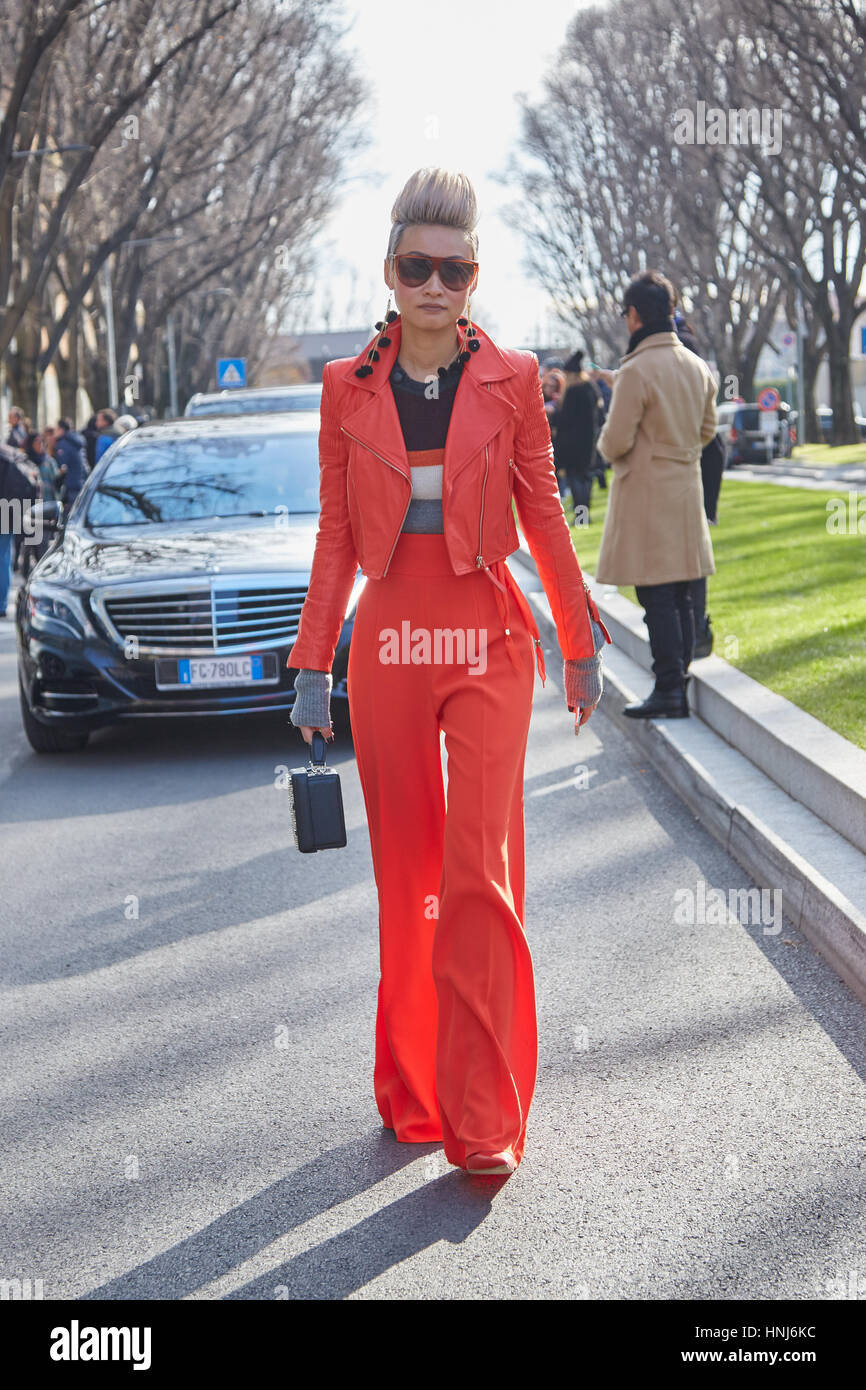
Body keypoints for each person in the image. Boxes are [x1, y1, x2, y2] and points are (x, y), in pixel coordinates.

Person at [286, 166, 611, 1178]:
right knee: (410, 879)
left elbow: (544, 511)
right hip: (384, 641)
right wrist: (310, 664)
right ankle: (415, 1090)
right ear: (388, 272)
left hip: (485, 634)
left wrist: (579, 634)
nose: (434, 283)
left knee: (478, 873)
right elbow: (337, 536)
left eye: (453, 268)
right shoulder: (344, 389)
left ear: (473, 277)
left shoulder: (512, 380)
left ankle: (483, 1116)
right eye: (415, 265)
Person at [596, 269, 717, 718]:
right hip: (687, 490)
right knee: (683, 594)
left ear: (633, 316)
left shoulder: (636, 370)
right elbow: (708, 431)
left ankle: (668, 689)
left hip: (648, 496)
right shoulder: (696, 366)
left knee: (656, 597)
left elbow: (614, 442)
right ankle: (676, 683)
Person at [673, 314, 724, 658]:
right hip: (692, 475)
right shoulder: (691, 356)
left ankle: (688, 633)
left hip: (675, 476)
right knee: (693, 565)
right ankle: (697, 630)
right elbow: (714, 447)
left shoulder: (670, 353)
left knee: (677, 568)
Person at [552, 349, 603, 524]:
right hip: (589, 441)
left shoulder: (574, 391)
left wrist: (552, 414)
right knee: (585, 479)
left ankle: (581, 519)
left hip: (573, 443)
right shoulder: (590, 388)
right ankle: (583, 516)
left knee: (576, 480)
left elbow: (566, 419)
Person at [54, 418, 90, 507]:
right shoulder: (77, 440)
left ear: (61, 430)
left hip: (72, 483)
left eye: (56, 429)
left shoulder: (63, 443)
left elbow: (61, 464)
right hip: (83, 480)